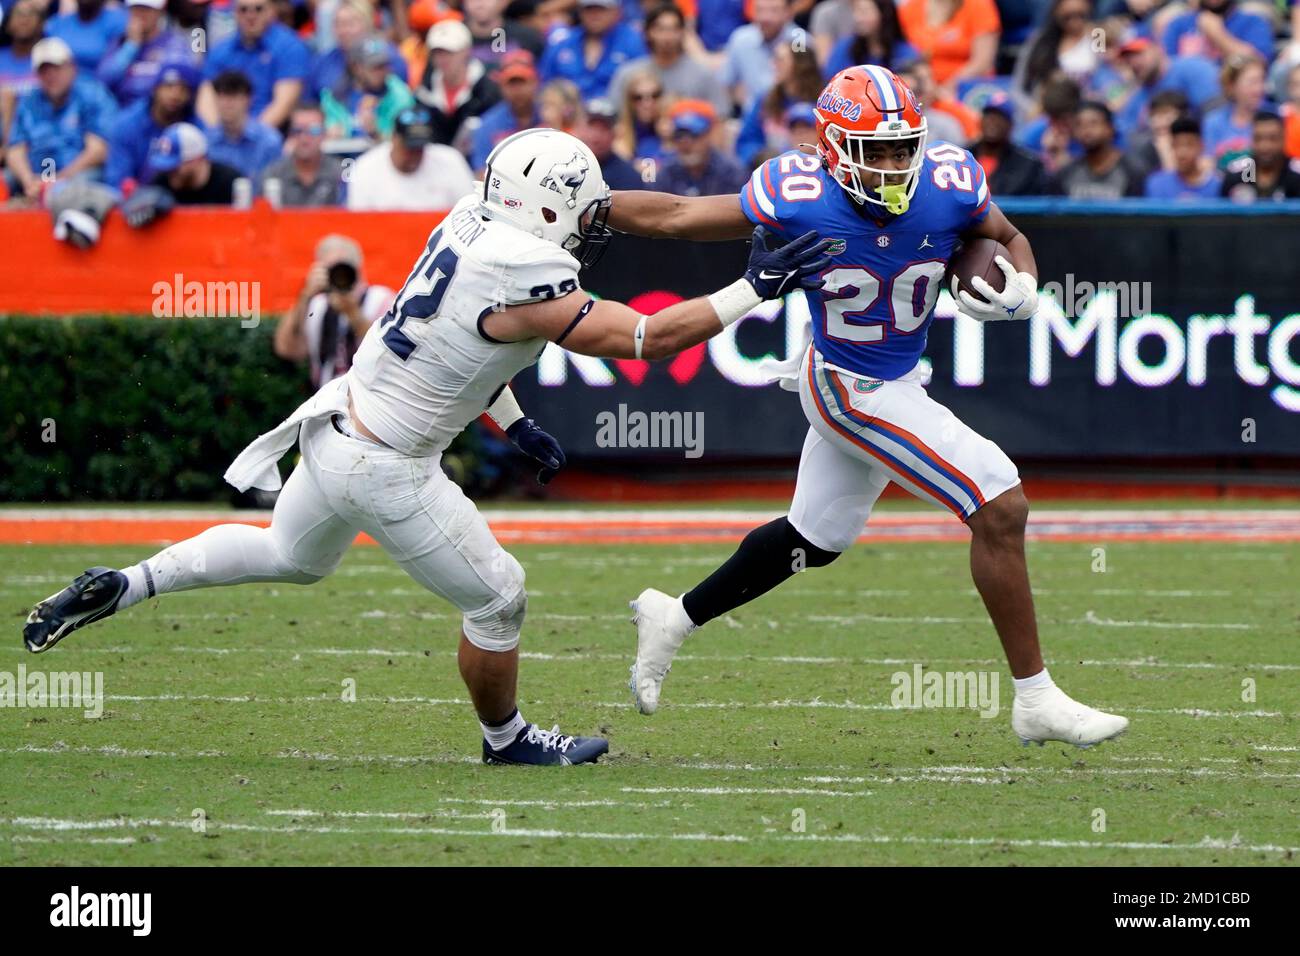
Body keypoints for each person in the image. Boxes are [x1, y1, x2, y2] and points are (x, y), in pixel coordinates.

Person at [22, 126, 832, 768]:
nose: (592, 227)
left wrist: (512, 421)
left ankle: (126, 583)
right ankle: (507, 739)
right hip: (388, 466)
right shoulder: (531, 270)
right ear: (547, 212)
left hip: (336, 426)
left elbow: (462, 346)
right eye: (584, 214)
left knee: (289, 555)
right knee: (499, 597)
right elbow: (649, 337)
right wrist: (754, 287)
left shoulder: (468, 220)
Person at [607, 65, 1129, 748]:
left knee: (811, 541)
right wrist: (587, 205)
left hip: (900, 378)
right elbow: (676, 216)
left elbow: (1008, 237)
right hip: (846, 385)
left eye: (899, 148)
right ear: (830, 148)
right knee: (999, 501)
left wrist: (1025, 288)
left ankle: (674, 616)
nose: (889, 164)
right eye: (872, 150)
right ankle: (1035, 699)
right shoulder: (794, 194)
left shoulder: (948, 180)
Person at [274, 235, 396, 388]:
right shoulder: (316, 305)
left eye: (343, 268)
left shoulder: (381, 299)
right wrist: (305, 296)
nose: (339, 276)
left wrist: (352, 312)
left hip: (372, 399)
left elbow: (389, 352)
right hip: (326, 402)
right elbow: (287, 349)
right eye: (331, 270)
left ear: (358, 267)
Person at [6, 37, 117, 201]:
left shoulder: (92, 94)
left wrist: (60, 180)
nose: (50, 75)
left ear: (72, 67)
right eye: (44, 70)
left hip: (79, 172)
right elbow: (15, 150)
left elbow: (98, 151)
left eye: (56, 68)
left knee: (82, 182)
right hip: (42, 171)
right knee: (6, 179)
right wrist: (28, 180)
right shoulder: (30, 101)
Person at [198, 0, 310, 130]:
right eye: (243, 9)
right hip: (225, 133)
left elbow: (284, 103)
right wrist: (219, 135)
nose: (250, 16)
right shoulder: (221, 50)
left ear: (272, 11)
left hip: (273, 135)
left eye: (258, 9)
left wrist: (252, 138)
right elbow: (206, 99)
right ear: (234, 13)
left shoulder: (290, 47)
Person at [608, 4, 728, 120]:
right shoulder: (628, 74)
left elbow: (720, 117)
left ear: (683, 32)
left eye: (673, 29)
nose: (667, 36)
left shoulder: (702, 74)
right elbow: (613, 116)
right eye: (660, 29)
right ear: (648, 32)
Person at [346, 106, 475, 210]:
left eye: (420, 147)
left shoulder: (450, 161)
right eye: (409, 147)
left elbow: (469, 211)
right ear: (394, 138)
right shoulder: (366, 168)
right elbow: (360, 223)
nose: (415, 154)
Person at [104, 57, 201, 187]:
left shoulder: (195, 126)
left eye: (183, 89)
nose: (175, 95)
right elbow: (117, 180)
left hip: (183, 198)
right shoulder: (128, 124)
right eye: (169, 86)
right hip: (136, 199)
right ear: (155, 88)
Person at [415, 19, 500, 147]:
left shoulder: (488, 90)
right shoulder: (424, 92)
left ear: (466, 51)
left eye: (449, 52)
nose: (443, 59)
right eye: (437, 52)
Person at [96, 0, 197, 108]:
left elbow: (181, 86)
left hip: (159, 113)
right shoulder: (119, 43)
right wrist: (131, 46)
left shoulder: (175, 44)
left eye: (147, 10)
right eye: (136, 9)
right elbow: (103, 81)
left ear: (160, 11)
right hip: (120, 112)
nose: (141, 15)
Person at [538, 0, 646, 100]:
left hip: (618, 114)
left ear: (616, 12)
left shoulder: (633, 42)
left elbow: (644, 83)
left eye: (601, 9)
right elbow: (545, 83)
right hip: (569, 115)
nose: (595, 15)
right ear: (580, 12)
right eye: (589, 9)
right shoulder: (563, 43)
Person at [735, 44, 823, 167]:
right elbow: (746, 141)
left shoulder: (824, 101)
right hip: (774, 172)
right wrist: (761, 156)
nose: (773, 64)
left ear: (800, 65)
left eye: (780, 60)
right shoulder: (765, 100)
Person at [896, 0, 999, 96]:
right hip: (923, 88)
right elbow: (901, 54)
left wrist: (946, 89)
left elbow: (982, 63)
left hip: (967, 89)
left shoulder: (979, 5)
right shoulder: (910, 8)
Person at [1048, 100, 1145, 197]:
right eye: (1079, 125)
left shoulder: (1133, 171)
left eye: (1093, 123)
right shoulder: (1067, 173)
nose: (1086, 131)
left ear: (1110, 129)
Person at [258, 101, 346, 206]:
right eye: (298, 130)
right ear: (289, 134)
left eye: (314, 130)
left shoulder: (340, 175)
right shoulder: (272, 176)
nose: (304, 138)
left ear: (324, 134)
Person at [651, 101, 746, 195]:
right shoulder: (667, 173)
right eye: (680, 134)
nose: (686, 142)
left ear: (709, 134)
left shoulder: (731, 173)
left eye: (694, 134)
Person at [469, 50, 540, 173]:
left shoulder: (550, 116)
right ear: (501, 87)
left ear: (535, 83)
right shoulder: (488, 125)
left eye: (522, 82)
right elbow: (481, 172)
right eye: (511, 83)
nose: (517, 90)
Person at [206, 69, 284, 178]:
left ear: (249, 99)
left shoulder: (269, 142)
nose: (226, 103)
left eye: (233, 96)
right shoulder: (206, 142)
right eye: (221, 96)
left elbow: (276, 181)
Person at [720, 0, 799, 108]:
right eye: (760, 10)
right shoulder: (740, 39)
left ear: (788, 13)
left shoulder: (800, 41)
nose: (765, 17)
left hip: (792, 116)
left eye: (773, 10)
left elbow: (806, 87)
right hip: (749, 114)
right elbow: (726, 84)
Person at [971, 92, 1048, 194]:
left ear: (1011, 125)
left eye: (1000, 117)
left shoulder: (1028, 166)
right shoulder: (963, 156)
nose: (993, 121)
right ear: (981, 121)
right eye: (989, 116)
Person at [148, 121, 243, 204]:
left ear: (197, 159)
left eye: (175, 166)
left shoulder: (230, 184)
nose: (170, 171)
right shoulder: (161, 184)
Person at [1202, 54, 1268, 168]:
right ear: (1231, 86)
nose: (1259, 88)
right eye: (1252, 82)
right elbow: (1207, 165)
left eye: (1261, 81)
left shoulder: (1274, 117)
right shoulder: (1214, 123)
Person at [824, 0, 917, 78]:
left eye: (864, 12)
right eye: (856, 11)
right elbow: (830, 80)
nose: (858, 18)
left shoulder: (905, 52)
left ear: (884, 13)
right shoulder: (844, 48)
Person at [1161, 0, 1272, 64]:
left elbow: (1258, 65)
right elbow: (1167, 71)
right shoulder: (1178, 24)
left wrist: (1218, 35)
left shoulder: (1252, 22)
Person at [1220, 111, 1300, 201]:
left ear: (1283, 139)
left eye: (1272, 138)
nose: (1265, 146)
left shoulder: (1297, 174)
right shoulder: (1236, 174)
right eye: (1258, 138)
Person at [1143, 115, 1221, 197]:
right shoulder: (1156, 184)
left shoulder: (1218, 185)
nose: (1182, 153)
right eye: (1176, 145)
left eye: (1189, 145)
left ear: (1201, 146)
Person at [578, 96, 645, 189]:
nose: (596, 137)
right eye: (592, 127)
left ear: (615, 133)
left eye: (603, 129)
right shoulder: (564, 168)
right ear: (580, 128)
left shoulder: (629, 178)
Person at [45, 0, 128, 73]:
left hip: (102, 86)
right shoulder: (57, 24)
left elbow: (116, 67)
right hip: (57, 87)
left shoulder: (119, 21)